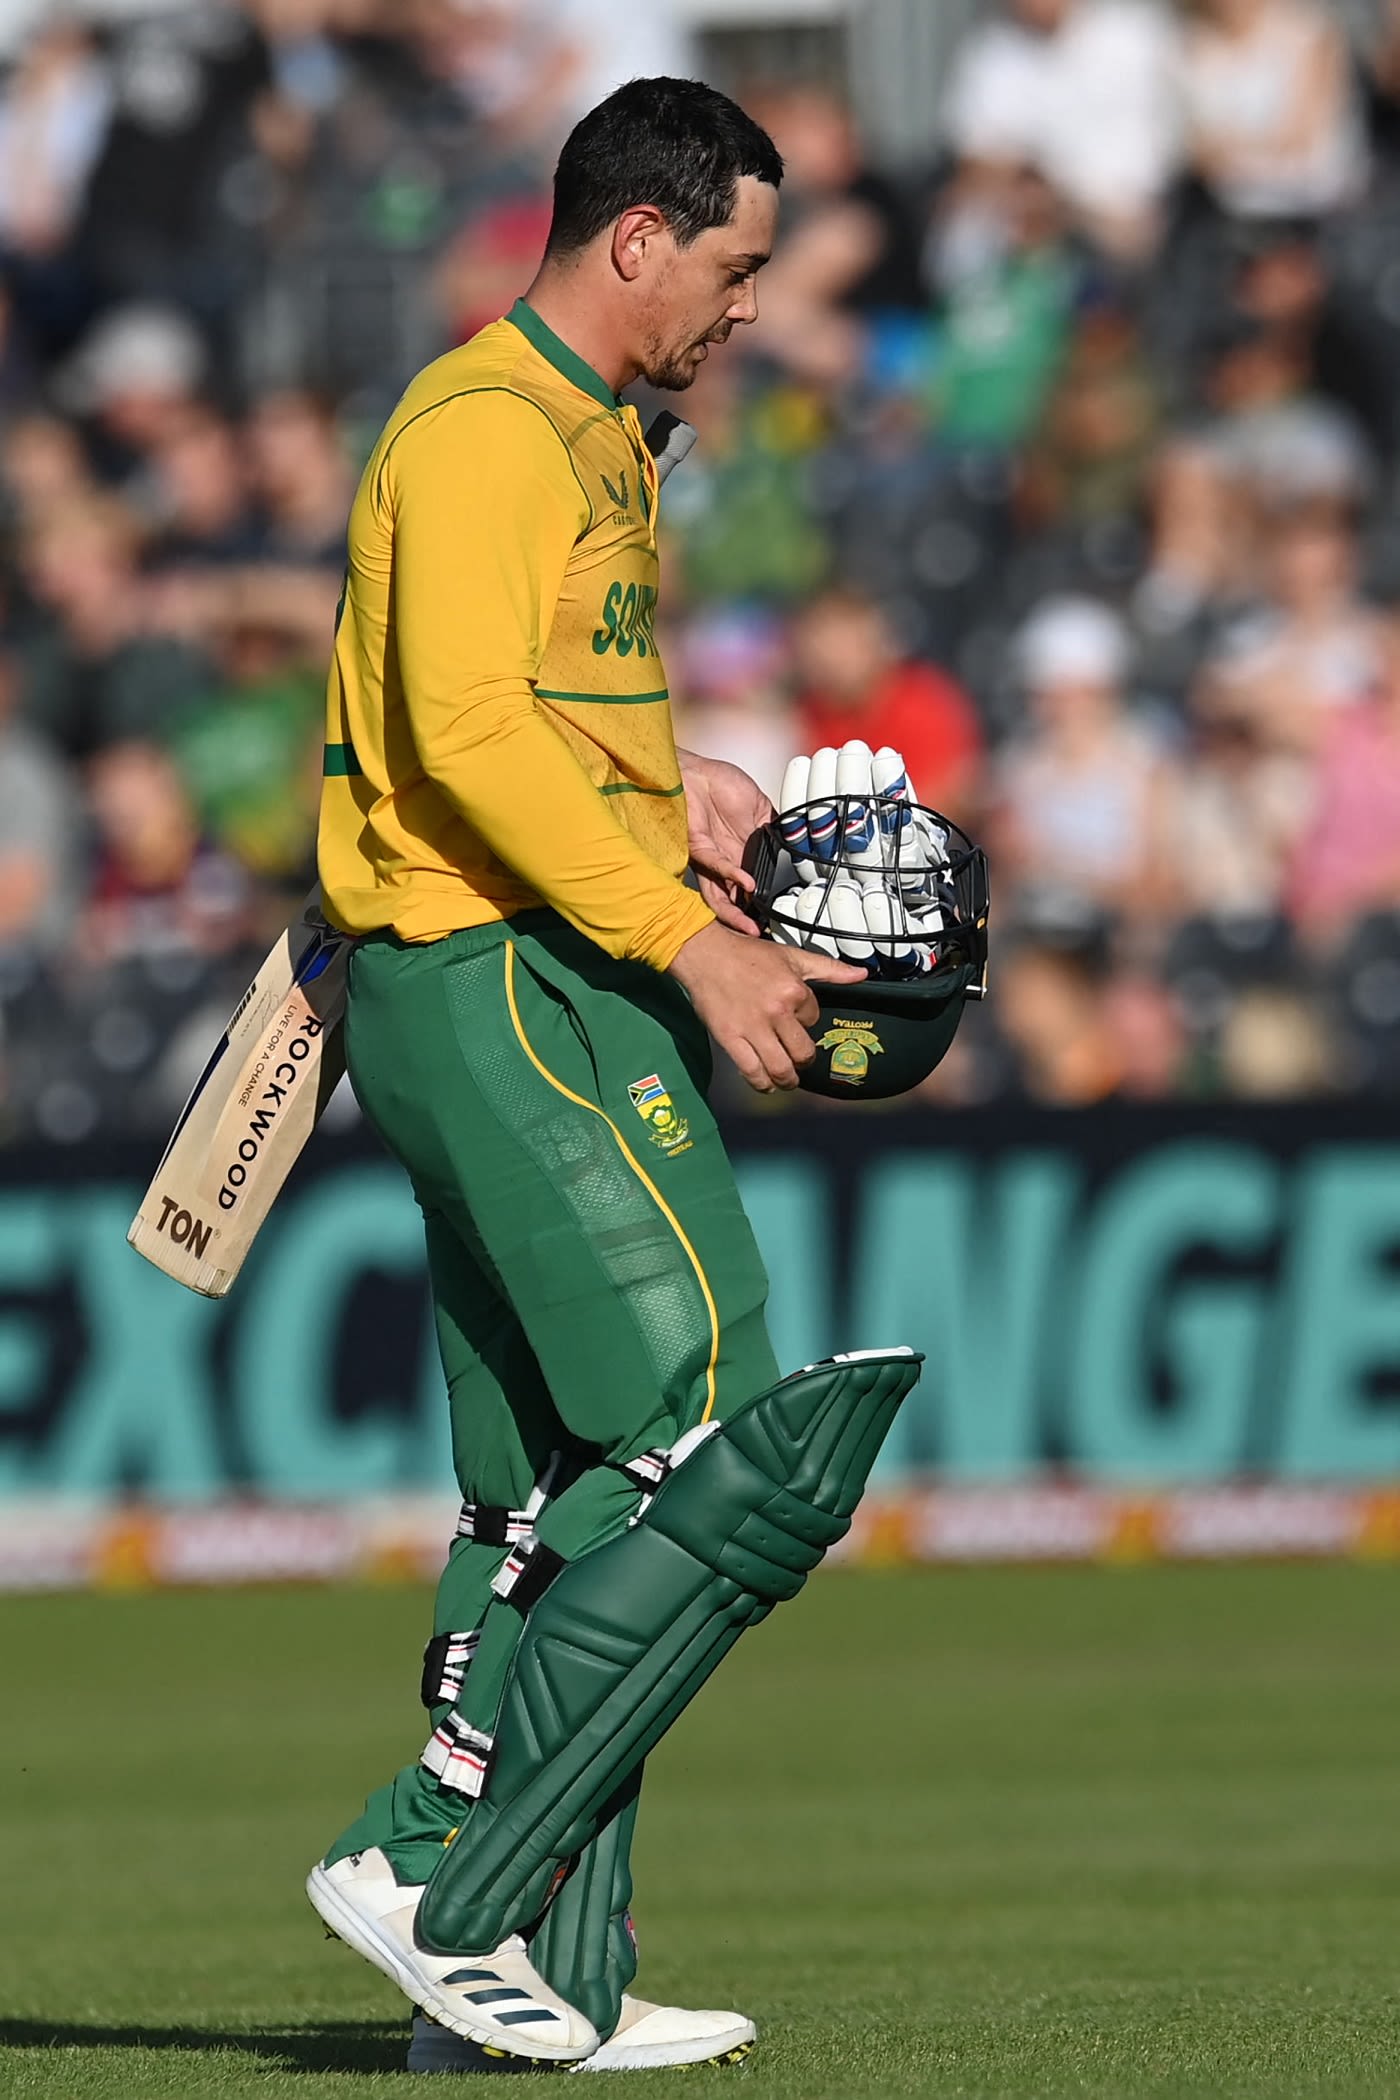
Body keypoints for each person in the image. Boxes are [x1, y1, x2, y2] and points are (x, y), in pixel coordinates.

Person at [308, 77, 914, 2077]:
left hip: (518, 962)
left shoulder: (600, 437)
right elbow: (467, 739)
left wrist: (680, 794)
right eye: (735, 265)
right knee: (706, 1416)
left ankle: (522, 1989)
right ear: (636, 239)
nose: (750, 306)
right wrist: (688, 934)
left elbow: (548, 715)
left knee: (557, 1479)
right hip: (493, 976)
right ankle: (432, 1853)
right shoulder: (488, 429)